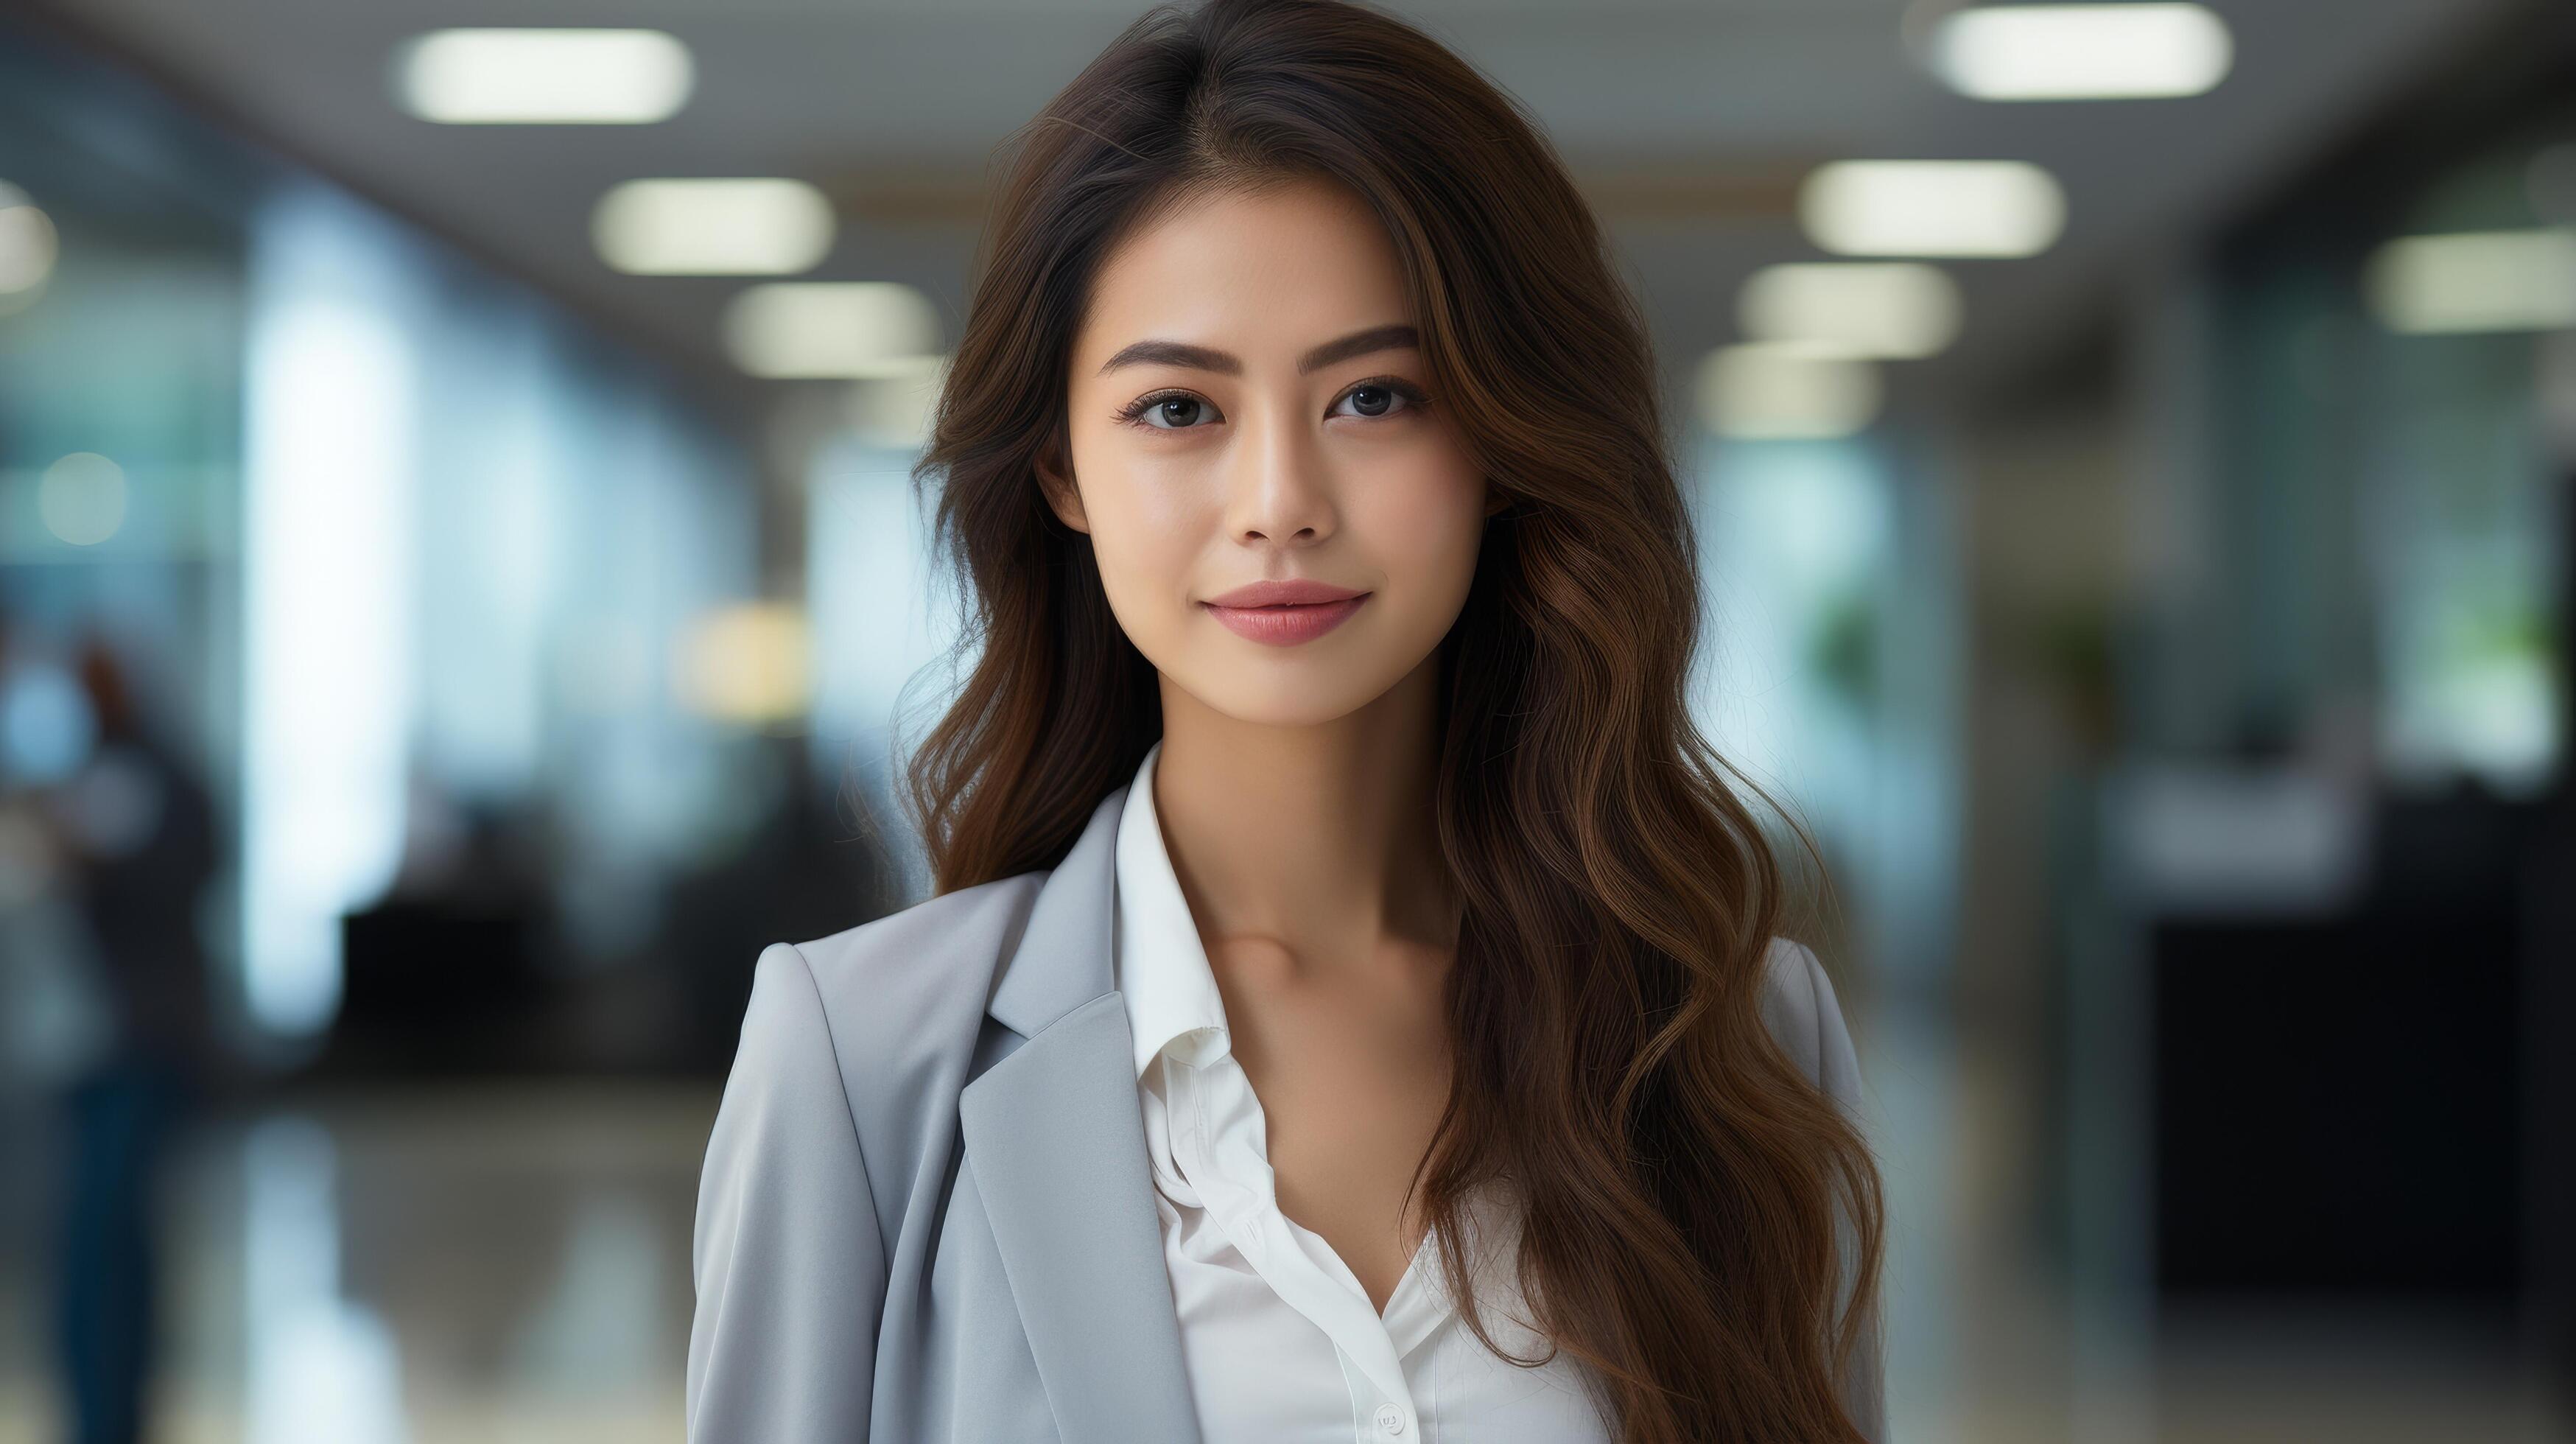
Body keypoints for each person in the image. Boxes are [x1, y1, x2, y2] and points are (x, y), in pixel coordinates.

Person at [687, 1, 1887, 1440]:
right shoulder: (858, 1058)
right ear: (1061, 465)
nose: (1279, 502)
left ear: (1504, 441)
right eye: (1180, 409)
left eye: (1376, 395)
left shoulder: (1739, 1036)